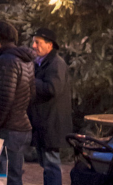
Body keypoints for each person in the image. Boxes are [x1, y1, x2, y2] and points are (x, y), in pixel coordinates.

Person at [0, 21, 36, 185]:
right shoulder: (25, 60)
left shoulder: (6, 61)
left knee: (5, 177)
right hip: (21, 126)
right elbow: (32, 93)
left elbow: (4, 98)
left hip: (9, 128)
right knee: (14, 174)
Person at [29, 28, 72, 185]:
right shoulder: (42, 63)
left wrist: (30, 80)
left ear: (50, 45)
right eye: (33, 42)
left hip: (51, 123)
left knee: (51, 165)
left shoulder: (56, 63)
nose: (33, 46)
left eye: (37, 42)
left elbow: (52, 88)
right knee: (47, 164)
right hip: (44, 122)